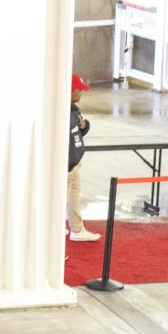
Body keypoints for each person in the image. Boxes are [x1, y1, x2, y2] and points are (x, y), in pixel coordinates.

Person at [67, 74, 98, 242]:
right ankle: (76, 230)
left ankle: (75, 229)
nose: (82, 93)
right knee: (69, 196)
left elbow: (77, 132)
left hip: (73, 162)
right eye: (79, 90)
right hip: (68, 164)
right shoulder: (68, 113)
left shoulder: (73, 111)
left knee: (70, 196)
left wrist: (84, 125)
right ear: (70, 91)